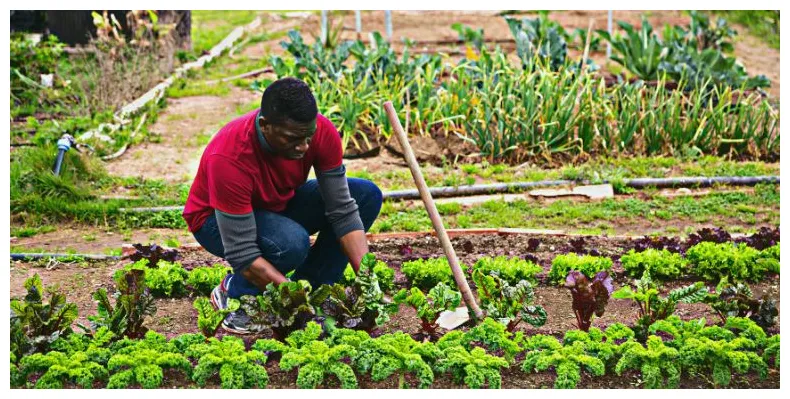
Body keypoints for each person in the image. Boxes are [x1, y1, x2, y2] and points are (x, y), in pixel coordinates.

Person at [182, 77, 382, 333]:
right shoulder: (229, 156)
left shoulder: (319, 132)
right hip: (215, 221)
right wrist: (296, 301)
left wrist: (369, 283)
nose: (303, 146)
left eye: (308, 137)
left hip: (275, 205)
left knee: (365, 195)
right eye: (293, 139)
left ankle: (313, 290)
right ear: (265, 126)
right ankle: (236, 296)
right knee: (289, 243)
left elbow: (343, 211)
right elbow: (242, 252)